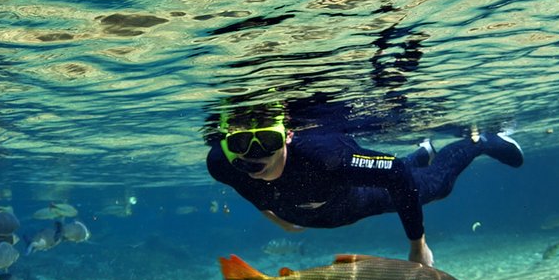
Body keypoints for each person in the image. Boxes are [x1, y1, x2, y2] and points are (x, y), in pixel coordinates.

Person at [206, 104, 523, 267]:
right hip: (311, 214)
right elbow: (246, 187)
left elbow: (395, 172)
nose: (255, 154)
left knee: (438, 186)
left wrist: (417, 244)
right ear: (228, 143)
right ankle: (422, 153)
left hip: (357, 199)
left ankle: (481, 141)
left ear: (288, 135)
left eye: (268, 141)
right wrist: (277, 219)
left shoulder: (327, 158)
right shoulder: (222, 163)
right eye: (241, 143)